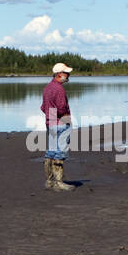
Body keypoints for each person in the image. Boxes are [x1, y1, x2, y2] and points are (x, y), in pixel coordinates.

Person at [41, 63, 76, 191]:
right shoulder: (59, 89)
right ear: (59, 74)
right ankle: (58, 182)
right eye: (66, 73)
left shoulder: (47, 87)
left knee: (50, 152)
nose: (68, 75)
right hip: (60, 124)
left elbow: (43, 107)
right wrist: (66, 119)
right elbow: (61, 109)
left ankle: (49, 181)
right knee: (60, 153)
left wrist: (52, 117)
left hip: (50, 123)